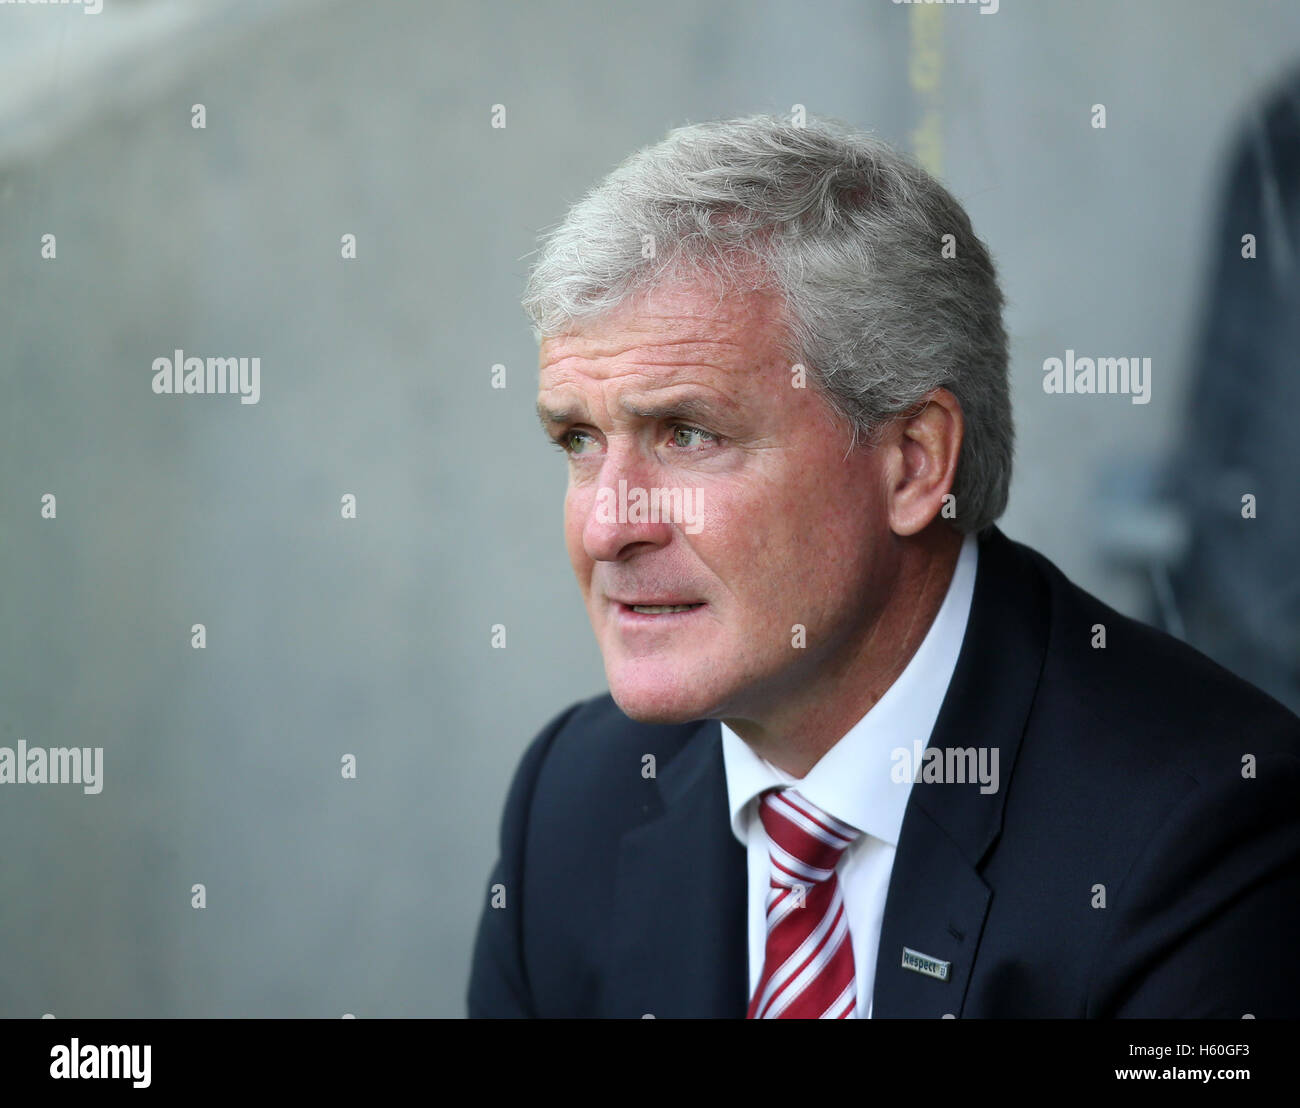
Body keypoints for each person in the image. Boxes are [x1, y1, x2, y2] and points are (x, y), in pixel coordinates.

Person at [467, 114, 1300, 1018]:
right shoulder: (574, 798)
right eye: (580, 441)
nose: (603, 527)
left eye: (688, 433)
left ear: (912, 463)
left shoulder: (1206, 828)